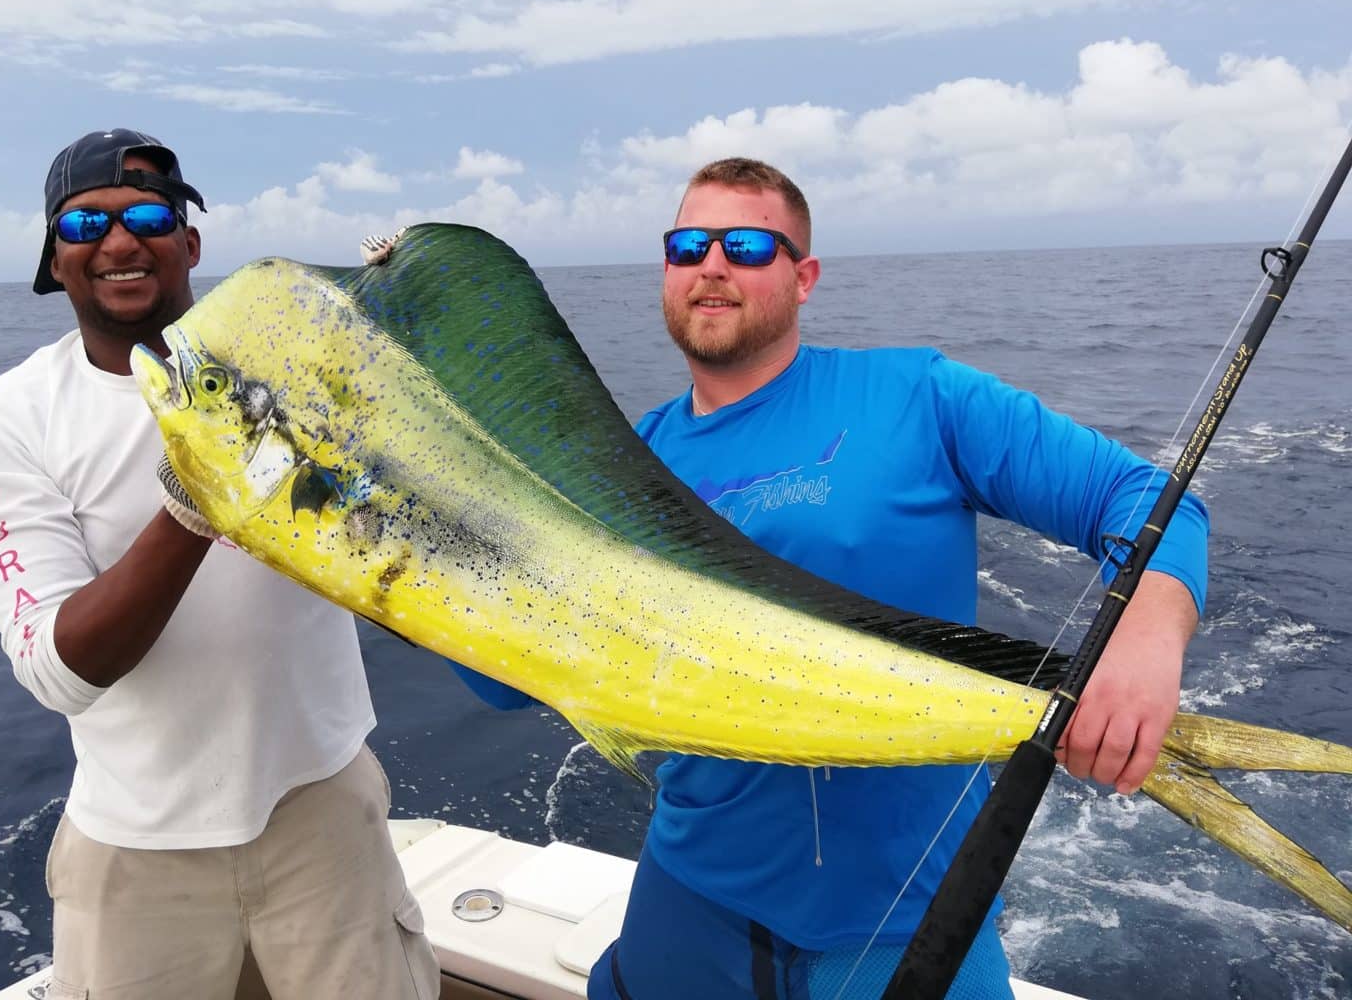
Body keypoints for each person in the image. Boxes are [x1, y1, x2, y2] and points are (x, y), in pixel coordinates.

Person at [461, 157, 1207, 999]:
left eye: (747, 246)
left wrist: (1145, 637)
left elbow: (1148, 500)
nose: (713, 265)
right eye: (688, 246)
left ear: (804, 276)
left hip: (905, 916)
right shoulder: (621, 465)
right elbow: (506, 682)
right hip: (693, 896)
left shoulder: (916, 395)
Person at [0, 129, 440, 1000]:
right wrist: (193, 502)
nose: (119, 241)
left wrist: (407, 313)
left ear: (191, 243)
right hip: (136, 846)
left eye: (147, 217)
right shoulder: (0, 421)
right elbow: (58, 670)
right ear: (55, 259)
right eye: (85, 224)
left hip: (324, 810)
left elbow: (406, 531)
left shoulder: (299, 371)